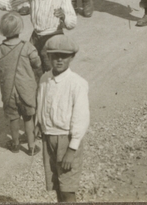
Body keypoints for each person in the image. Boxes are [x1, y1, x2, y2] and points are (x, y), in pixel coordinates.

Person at [36, 35, 89, 203]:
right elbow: (41, 101)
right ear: (48, 56)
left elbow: (81, 117)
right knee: (56, 185)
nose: (59, 59)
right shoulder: (45, 78)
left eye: (64, 56)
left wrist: (72, 149)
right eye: (54, 55)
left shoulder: (77, 83)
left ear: (72, 57)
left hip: (66, 139)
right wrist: (39, 123)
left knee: (68, 188)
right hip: (48, 138)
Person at [0, 11, 42, 155]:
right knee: (28, 118)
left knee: (13, 119)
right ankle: (31, 147)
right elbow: (37, 63)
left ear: (2, 30)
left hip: (8, 92)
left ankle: (15, 144)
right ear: (20, 29)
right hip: (26, 90)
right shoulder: (27, 47)